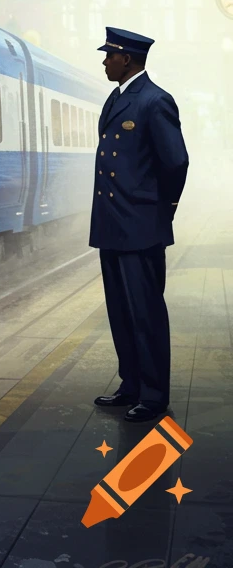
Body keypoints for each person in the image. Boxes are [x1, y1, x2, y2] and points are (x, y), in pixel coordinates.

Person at [90, 27, 189, 424]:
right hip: (112, 225)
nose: (104, 62)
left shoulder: (154, 100)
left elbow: (176, 162)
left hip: (140, 225)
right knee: (120, 312)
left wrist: (162, 210)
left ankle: (153, 396)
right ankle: (130, 384)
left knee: (146, 315)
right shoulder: (118, 98)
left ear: (126, 59)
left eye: (109, 55)